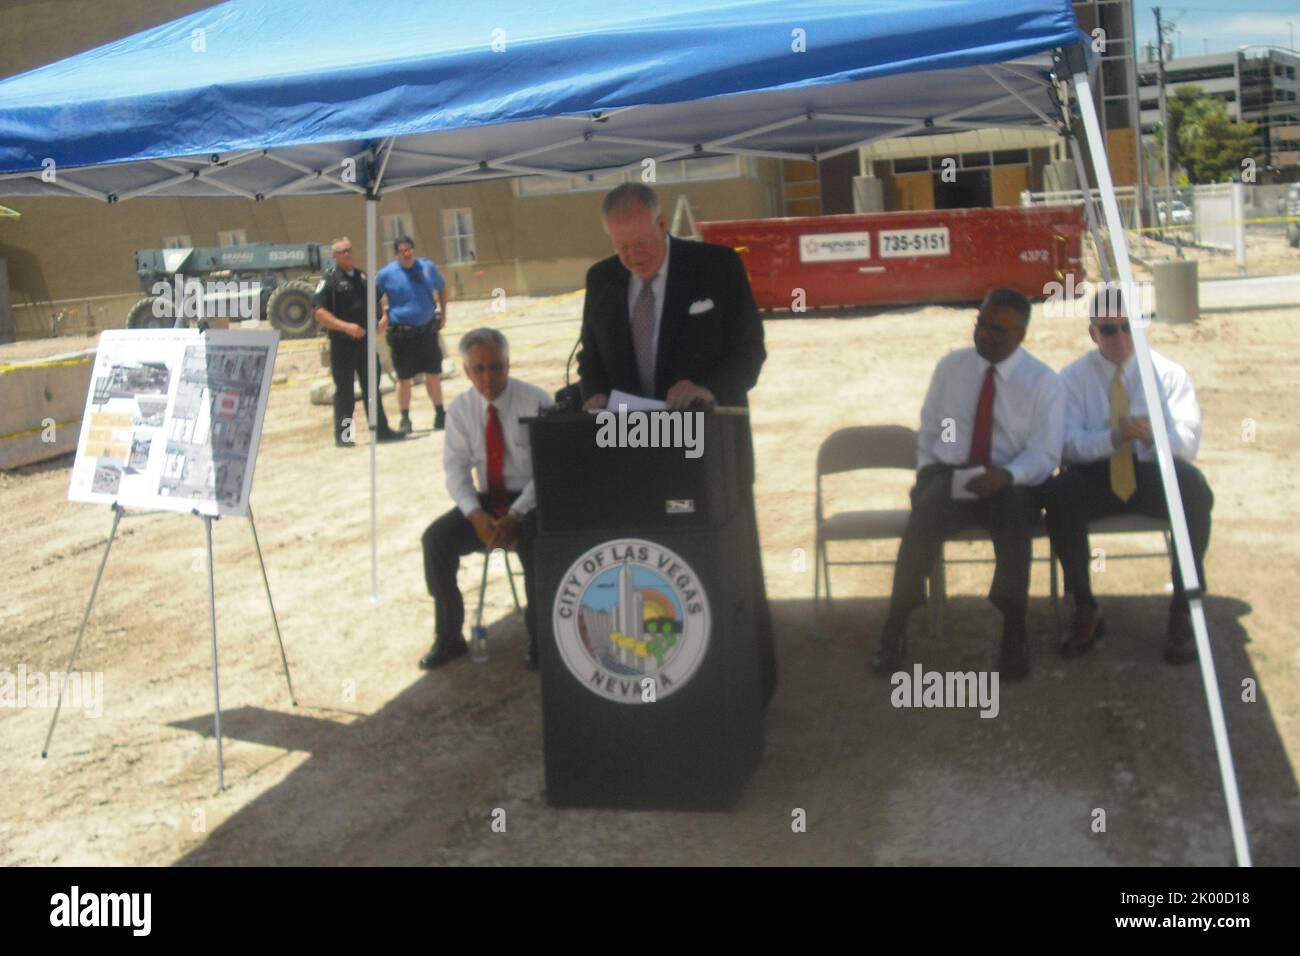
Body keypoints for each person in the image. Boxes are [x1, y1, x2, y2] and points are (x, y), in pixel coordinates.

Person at [577, 182, 776, 703]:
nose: (632, 257)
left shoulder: (717, 268)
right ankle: (658, 680)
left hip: (709, 451)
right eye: (620, 247)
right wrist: (593, 394)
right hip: (633, 456)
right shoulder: (600, 280)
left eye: (641, 244)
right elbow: (591, 360)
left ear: (663, 225)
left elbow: (749, 352)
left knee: (723, 570)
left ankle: (746, 686)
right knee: (651, 573)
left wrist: (707, 389)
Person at [871, 288, 1064, 681]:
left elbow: (1045, 454)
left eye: (997, 329)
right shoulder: (951, 369)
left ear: (1021, 335)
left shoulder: (1043, 382)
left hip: (1012, 482)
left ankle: (1014, 630)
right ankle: (896, 624)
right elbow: (930, 428)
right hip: (952, 475)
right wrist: (934, 470)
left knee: (1014, 519)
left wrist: (1006, 475)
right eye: (980, 324)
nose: (984, 335)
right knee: (926, 511)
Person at [1043, 290, 1212, 665]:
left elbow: (1187, 443)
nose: (1119, 337)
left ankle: (1183, 606)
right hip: (1097, 475)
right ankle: (1084, 603)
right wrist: (1112, 438)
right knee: (1058, 493)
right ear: (1093, 333)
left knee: (1195, 490)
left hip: (1152, 471)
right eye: (1108, 329)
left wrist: (1153, 435)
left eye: (1127, 327)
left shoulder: (1168, 375)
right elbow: (1064, 446)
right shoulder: (1071, 380)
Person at [419, 328, 553, 671]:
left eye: (496, 367)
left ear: (508, 364)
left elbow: (549, 469)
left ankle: (542, 643)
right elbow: (456, 471)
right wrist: (475, 515)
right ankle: (449, 638)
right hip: (486, 502)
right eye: (478, 369)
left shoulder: (537, 401)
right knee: (435, 540)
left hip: (530, 501)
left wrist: (517, 514)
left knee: (536, 545)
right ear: (466, 371)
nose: (488, 377)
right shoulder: (461, 410)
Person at [312, 237, 404, 447]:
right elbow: (320, 313)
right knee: (344, 393)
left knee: (373, 388)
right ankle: (345, 437)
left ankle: (381, 431)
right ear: (334, 256)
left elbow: (379, 302)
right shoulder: (330, 280)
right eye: (341, 252)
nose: (347, 254)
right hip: (342, 345)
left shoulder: (363, 277)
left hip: (366, 344)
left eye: (349, 250)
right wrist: (346, 327)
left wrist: (382, 319)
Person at [375, 235, 448, 432]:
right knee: (404, 379)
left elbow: (442, 288)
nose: (406, 254)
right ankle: (405, 419)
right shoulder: (386, 274)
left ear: (413, 251)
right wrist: (382, 316)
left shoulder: (427, 268)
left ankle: (441, 414)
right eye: (402, 251)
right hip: (402, 335)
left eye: (409, 250)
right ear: (396, 254)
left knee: (433, 374)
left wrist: (444, 315)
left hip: (427, 332)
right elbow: (373, 295)